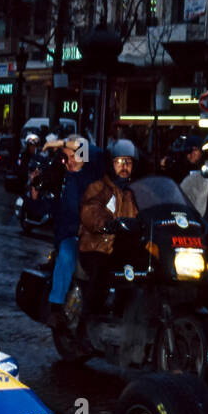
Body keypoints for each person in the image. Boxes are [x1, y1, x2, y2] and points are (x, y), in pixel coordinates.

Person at [76, 138, 139, 317]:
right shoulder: (100, 187)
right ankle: (87, 323)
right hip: (97, 245)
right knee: (101, 274)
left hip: (123, 247)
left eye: (129, 162)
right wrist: (103, 224)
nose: (124, 166)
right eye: (119, 162)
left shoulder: (134, 192)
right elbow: (90, 209)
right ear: (111, 165)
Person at [46, 136, 103, 326]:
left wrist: (59, 143)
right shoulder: (63, 176)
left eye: (74, 156)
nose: (70, 161)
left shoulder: (92, 173)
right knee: (67, 255)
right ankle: (56, 305)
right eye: (67, 157)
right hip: (71, 234)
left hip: (95, 233)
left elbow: (86, 147)